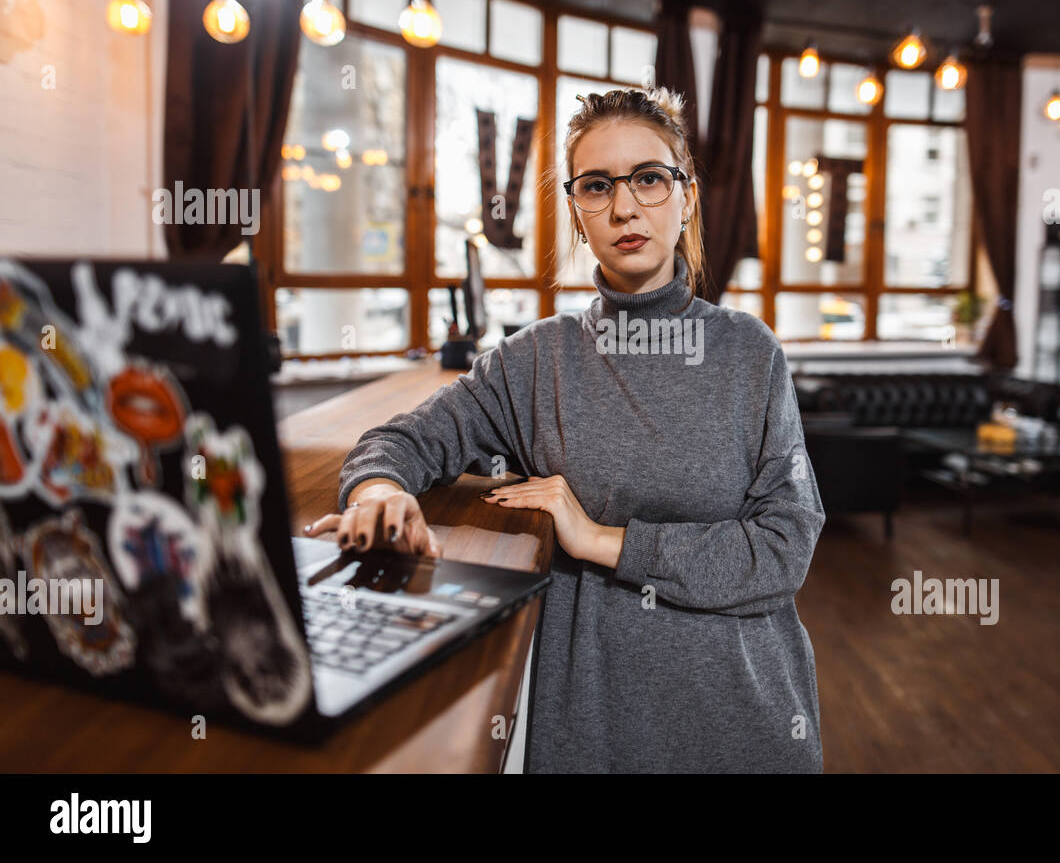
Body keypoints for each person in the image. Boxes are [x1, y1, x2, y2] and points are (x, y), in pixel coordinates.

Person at [304, 86, 826, 773]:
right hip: (595, 727)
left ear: (686, 198)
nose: (624, 207)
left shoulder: (749, 352)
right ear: (578, 213)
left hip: (743, 719)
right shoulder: (537, 360)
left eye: (649, 178)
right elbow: (400, 442)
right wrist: (378, 493)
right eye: (597, 186)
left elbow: (784, 549)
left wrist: (601, 540)